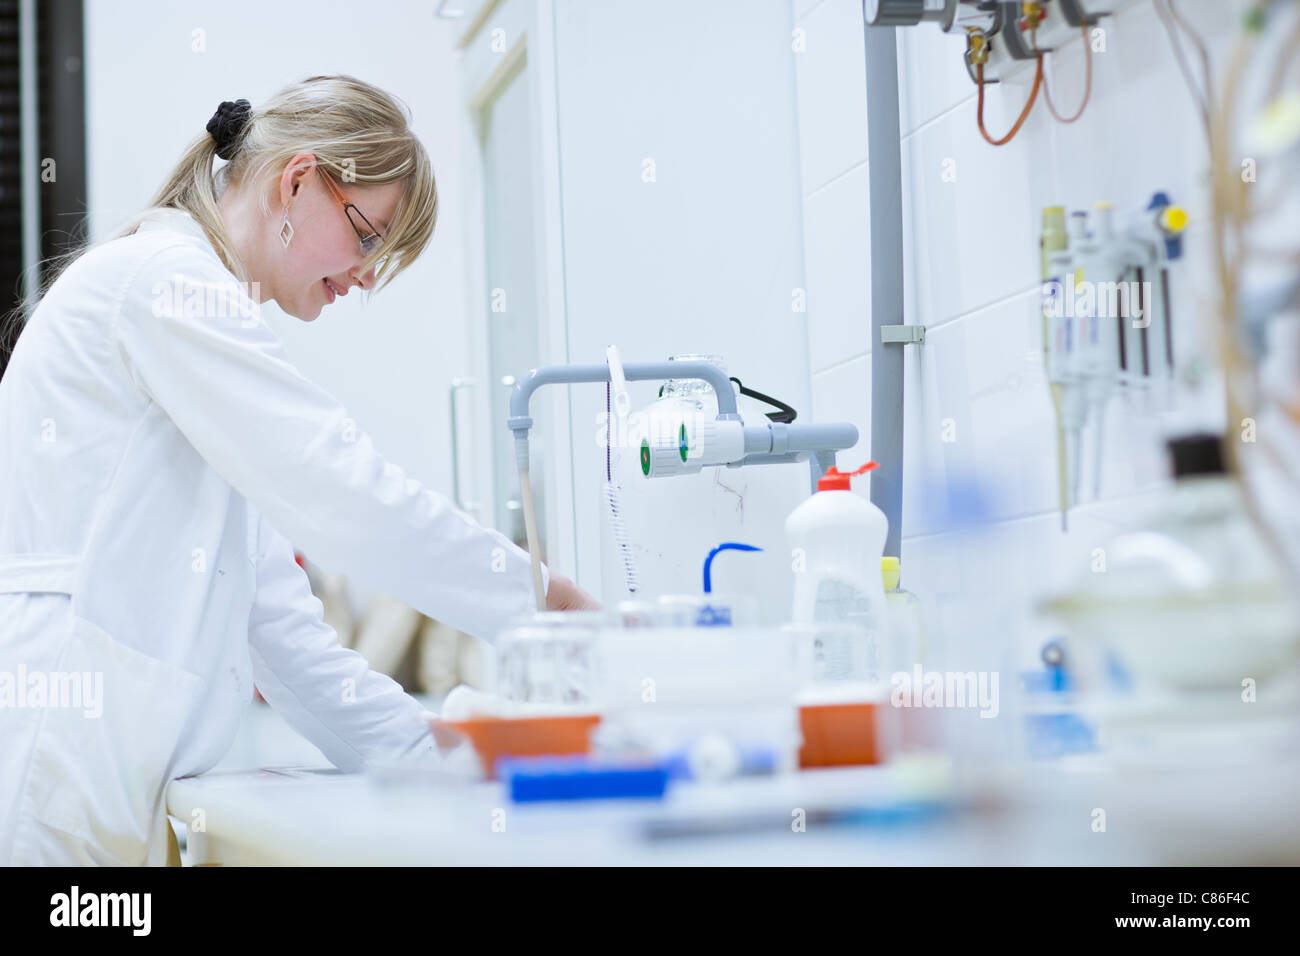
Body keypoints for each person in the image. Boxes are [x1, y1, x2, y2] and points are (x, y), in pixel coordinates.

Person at [0, 75, 596, 866]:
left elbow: (280, 632)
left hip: (105, 762)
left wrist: (452, 761)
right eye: (368, 237)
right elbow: (343, 491)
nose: (364, 278)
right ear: (298, 181)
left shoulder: (200, 320)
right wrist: (542, 604)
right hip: (63, 751)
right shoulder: (169, 286)